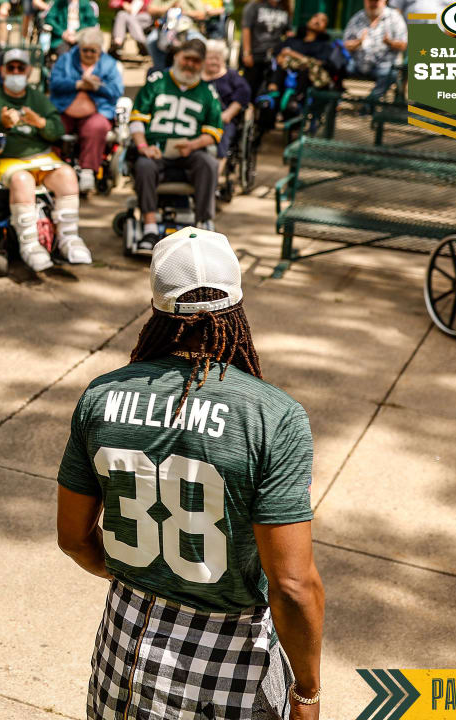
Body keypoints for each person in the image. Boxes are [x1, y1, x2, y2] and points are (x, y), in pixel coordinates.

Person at [56, 226, 325, 720]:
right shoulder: (273, 415)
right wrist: (306, 691)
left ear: (157, 307)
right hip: (230, 657)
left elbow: (74, 539)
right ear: (236, 307)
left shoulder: (100, 396)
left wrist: (138, 578)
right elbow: (291, 585)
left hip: (124, 643)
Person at [0, 48, 92, 270]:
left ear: (29, 71)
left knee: (67, 175)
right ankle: (29, 244)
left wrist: (40, 123)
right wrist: (2, 124)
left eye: (21, 68)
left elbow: (57, 130)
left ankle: (68, 238)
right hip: (8, 159)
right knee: (22, 180)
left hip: (42, 157)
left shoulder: (37, 97)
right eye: (12, 68)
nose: (16, 72)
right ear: (2, 71)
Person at [128, 38, 223, 250]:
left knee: (209, 163)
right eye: (187, 58)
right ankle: (150, 228)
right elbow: (136, 119)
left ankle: (204, 226)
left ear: (202, 64)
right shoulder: (157, 81)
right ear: (177, 56)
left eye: (196, 61)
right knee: (143, 165)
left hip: (189, 151)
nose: (190, 64)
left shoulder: (207, 92)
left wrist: (194, 144)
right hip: (156, 150)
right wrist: (143, 146)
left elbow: (215, 132)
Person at [50, 28, 125, 193]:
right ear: (79, 47)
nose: (89, 54)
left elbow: (116, 91)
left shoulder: (109, 64)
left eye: (93, 51)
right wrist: (78, 84)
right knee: (52, 127)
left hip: (97, 111)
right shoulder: (66, 60)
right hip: (65, 109)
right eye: (85, 50)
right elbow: (54, 83)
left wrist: (97, 87)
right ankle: (53, 167)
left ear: (100, 50)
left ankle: (87, 172)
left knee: (96, 127)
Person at [255, 13, 338, 132]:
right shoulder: (293, 40)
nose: (317, 21)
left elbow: (321, 63)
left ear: (325, 28)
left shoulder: (324, 46)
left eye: (323, 20)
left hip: (304, 85)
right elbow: (276, 53)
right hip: (281, 80)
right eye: (315, 17)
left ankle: (295, 103)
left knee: (303, 70)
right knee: (278, 69)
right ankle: (271, 96)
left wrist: (291, 55)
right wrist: (281, 56)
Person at [342, 0, 407, 112]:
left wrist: (389, 42)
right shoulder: (357, 17)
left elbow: (403, 45)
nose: (373, 3)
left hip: (384, 65)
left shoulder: (394, 17)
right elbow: (346, 44)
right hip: (358, 64)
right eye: (370, 0)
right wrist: (358, 42)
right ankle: (334, 102)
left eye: (376, 1)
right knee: (336, 65)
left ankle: (368, 104)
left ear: (384, 1)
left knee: (391, 73)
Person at [201, 39, 249, 175]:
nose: (214, 61)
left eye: (218, 57)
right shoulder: (196, 76)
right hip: (198, 116)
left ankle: (213, 178)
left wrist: (228, 114)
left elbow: (243, 94)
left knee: (222, 138)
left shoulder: (232, 76)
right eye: (211, 58)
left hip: (223, 118)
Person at [238, 0, 290, 96]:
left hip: (274, 56)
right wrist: (246, 53)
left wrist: (284, 52)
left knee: (269, 90)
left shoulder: (284, 8)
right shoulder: (254, 6)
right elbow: (246, 29)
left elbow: (287, 32)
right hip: (255, 53)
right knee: (249, 87)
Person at [145, 0, 206, 71]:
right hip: (164, 28)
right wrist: (169, 9)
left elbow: (202, 14)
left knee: (201, 42)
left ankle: (196, 71)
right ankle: (161, 72)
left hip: (188, 28)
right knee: (151, 40)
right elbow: (150, 10)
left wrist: (184, 12)